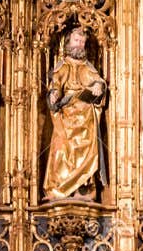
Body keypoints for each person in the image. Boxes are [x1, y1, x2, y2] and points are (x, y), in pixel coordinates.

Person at [44, 26, 106, 200]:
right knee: (61, 148)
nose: (79, 45)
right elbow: (55, 84)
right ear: (68, 43)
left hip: (85, 115)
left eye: (82, 43)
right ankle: (60, 189)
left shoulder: (87, 66)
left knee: (86, 149)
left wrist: (98, 86)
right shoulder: (62, 66)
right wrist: (54, 93)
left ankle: (84, 189)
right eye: (76, 41)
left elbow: (98, 81)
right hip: (66, 114)